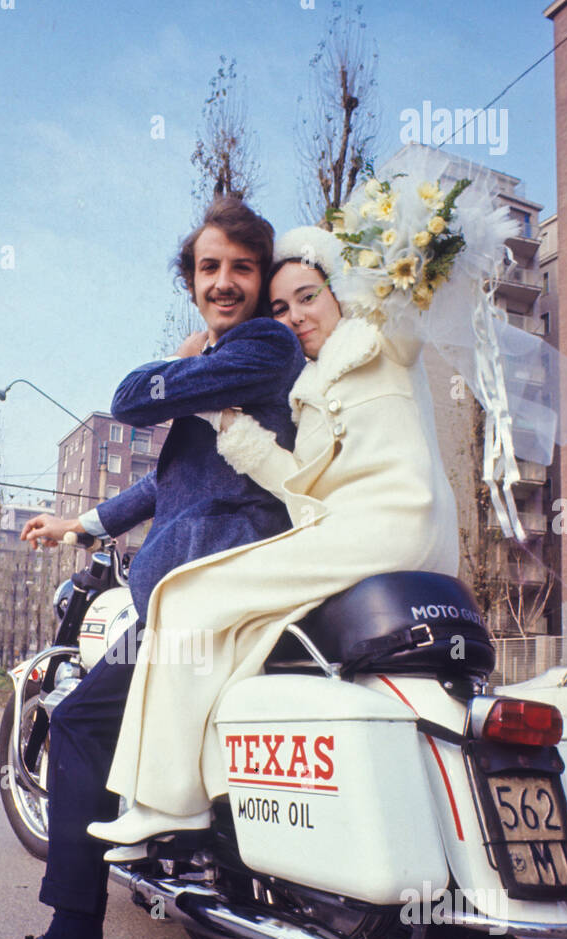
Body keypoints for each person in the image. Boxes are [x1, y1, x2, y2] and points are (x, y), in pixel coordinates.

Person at [0, 195, 304, 939]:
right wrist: (78, 523)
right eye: (208, 268)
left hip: (212, 583)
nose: (223, 282)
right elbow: (171, 480)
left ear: (259, 279)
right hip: (200, 573)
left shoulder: (262, 344)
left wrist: (181, 358)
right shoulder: (234, 375)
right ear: (192, 277)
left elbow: (131, 395)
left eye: (239, 268)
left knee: (79, 722)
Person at [89, 219, 460, 843]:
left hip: (380, 530)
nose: (295, 317)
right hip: (350, 534)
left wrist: (409, 232)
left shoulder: (382, 340)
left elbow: (404, 293)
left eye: (310, 296)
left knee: (185, 595)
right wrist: (228, 423)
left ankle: (169, 801)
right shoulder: (310, 389)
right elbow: (299, 484)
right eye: (282, 307)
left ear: (343, 292)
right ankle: (230, 787)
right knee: (239, 626)